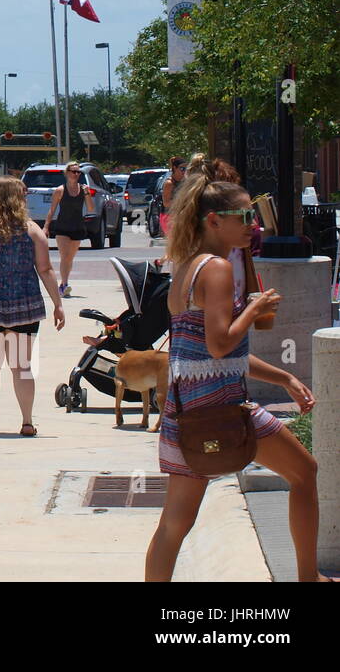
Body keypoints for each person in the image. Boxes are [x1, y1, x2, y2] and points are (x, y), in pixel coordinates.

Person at [144, 173, 332, 582]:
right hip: (223, 410)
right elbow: (219, 344)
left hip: (185, 410)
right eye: (244, 215)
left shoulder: (188, 267)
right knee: (305, 473)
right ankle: (308, 578)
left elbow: (207, 355)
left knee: (174, 524)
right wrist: (254, 307)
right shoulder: (217, 270)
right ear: (213, 221)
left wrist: (283, 377)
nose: (254, 224)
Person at [0, 175, 64, 437]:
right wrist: (58, 304)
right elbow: (45, 269)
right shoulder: (31, 230)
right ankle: (27, 422)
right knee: (22, 366)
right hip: (24, 304)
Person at [42, 161, 94, 297]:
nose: (76, 174)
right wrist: (46, 227)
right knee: (64, 256)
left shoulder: (83, 189)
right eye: (73, 171)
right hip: (62, 228)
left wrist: (87, 193)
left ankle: (63, 284)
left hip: (78, 227)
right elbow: (52, 210)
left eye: (78, 172)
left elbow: (90, 208)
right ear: (67, 173)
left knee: (69, 258)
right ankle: (65, 284)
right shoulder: (60, 190)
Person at [158, 157, 186, 237]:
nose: (184, 171)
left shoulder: (185, 182)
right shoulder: (169, 183)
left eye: (186, 169)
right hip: (169, 217)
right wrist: (183, 202)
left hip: (181, 217)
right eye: (182, 168)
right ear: (175, 168)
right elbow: (166, 203)